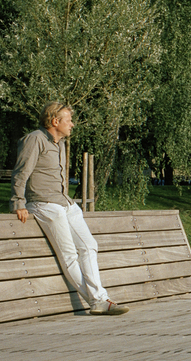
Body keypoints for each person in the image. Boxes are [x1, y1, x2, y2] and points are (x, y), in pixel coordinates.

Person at [12, 103, 126, 316]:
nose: (72, 124)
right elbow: (21, 173)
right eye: (68, 120)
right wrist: (18, 202)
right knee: (69, 255)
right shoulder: (34, 139)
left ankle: (100, 299)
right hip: (44, 204)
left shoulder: (60, 143)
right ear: (55, 121)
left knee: (89, 245)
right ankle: (98, 300)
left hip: (65, 203)